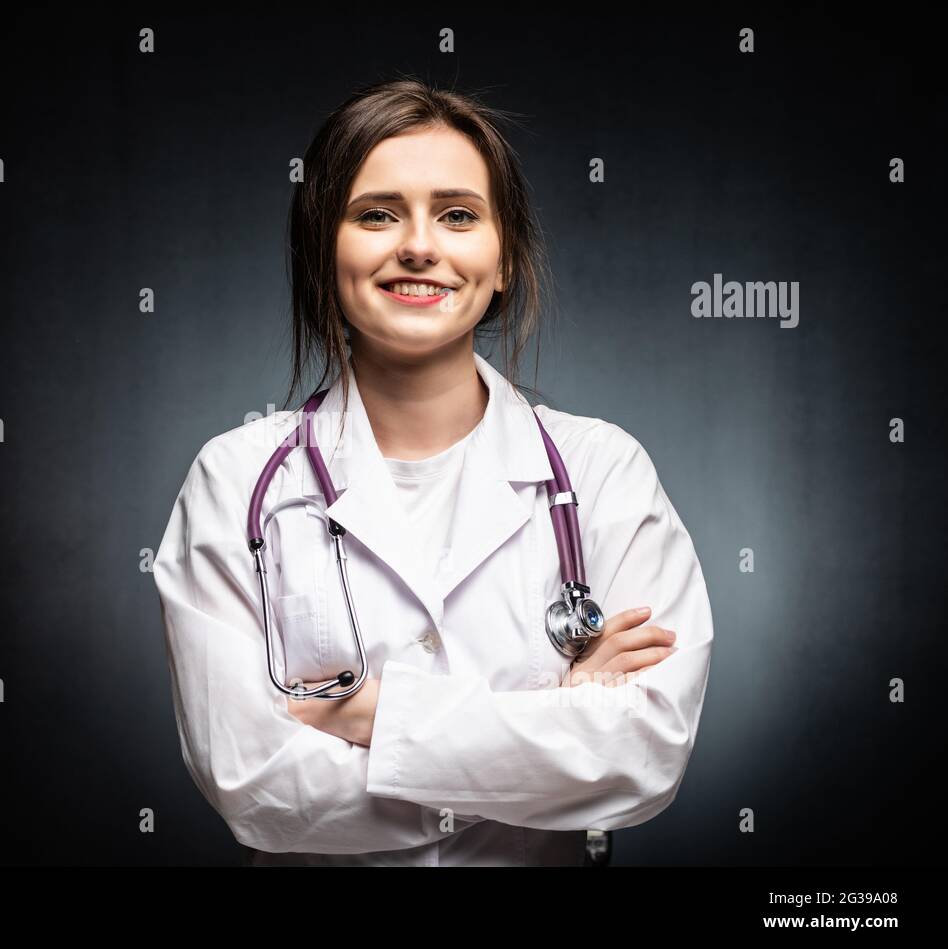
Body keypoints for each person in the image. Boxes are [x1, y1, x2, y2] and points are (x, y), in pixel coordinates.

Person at [152, 78, 713, 866]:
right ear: (324, 249)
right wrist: (552, 719)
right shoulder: (235, 479)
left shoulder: (601, 469)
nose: (419, 246)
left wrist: (370, 717)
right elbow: (256, 788)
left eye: (458, 215)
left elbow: (644, 755)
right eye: (377, 213)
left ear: (505, 256)